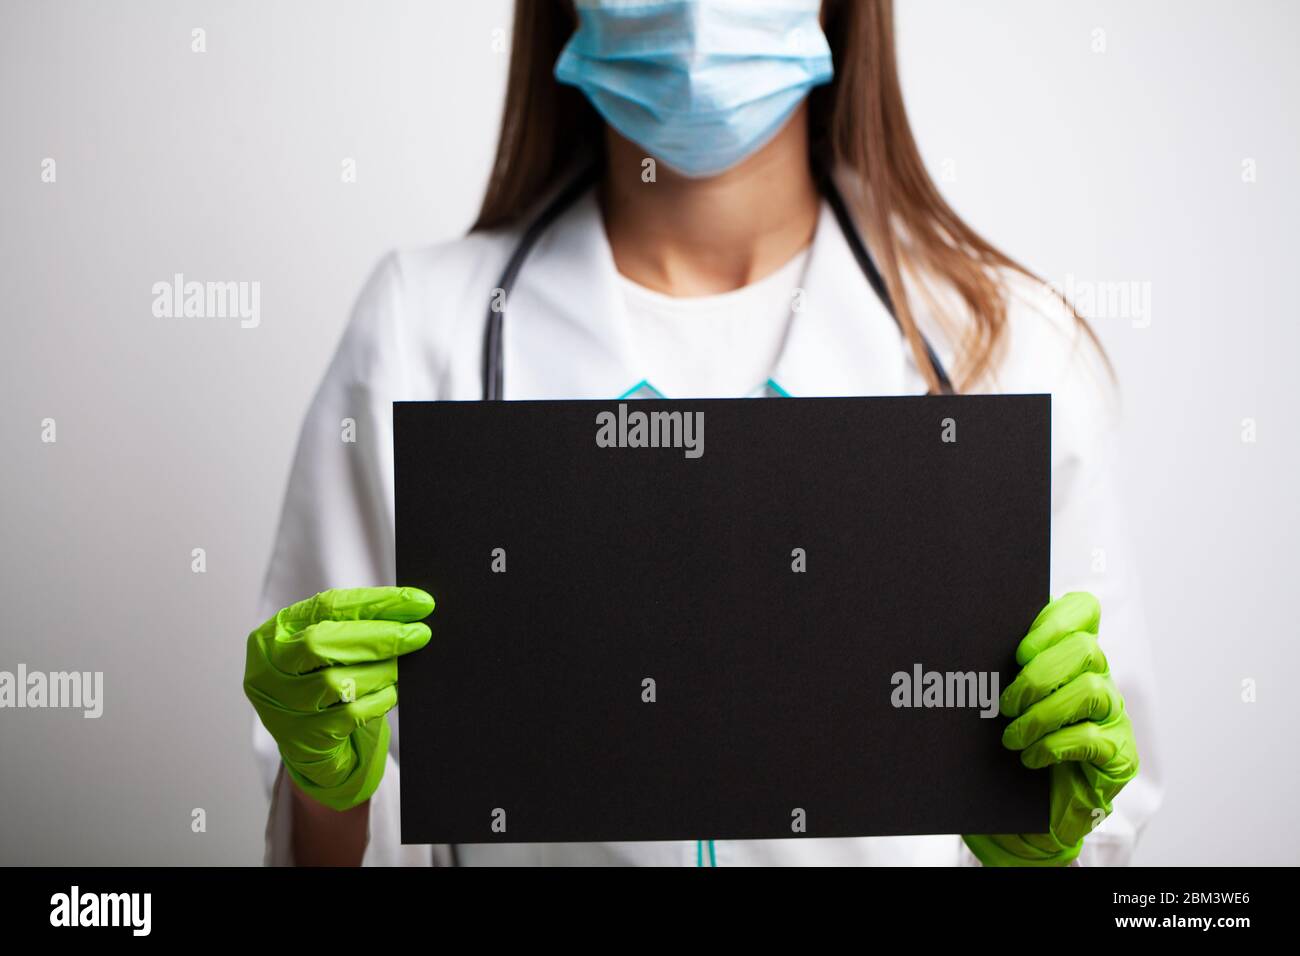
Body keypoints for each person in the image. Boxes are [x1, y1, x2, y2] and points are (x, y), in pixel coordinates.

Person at [243, 0, 1160, 866]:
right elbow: (343, 830)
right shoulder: (419, 329)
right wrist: (328, 794)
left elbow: (1105, 817)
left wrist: (1043, 850)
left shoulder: (1014, 345)